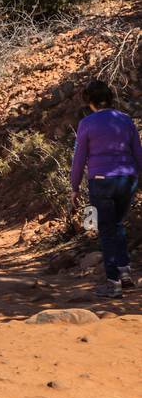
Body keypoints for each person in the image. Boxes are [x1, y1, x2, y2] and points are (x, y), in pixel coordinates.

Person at [69, 79, 142, 298]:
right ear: (109, 98)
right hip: (127, 179)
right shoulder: (126, 120)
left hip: (101, 180)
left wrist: (74, 187)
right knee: (117, 225)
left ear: (90, 101)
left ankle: (113, 283)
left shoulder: (87, 123)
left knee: (107, 230)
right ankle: (125, 272)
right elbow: (138, 152)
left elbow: (79, 158)